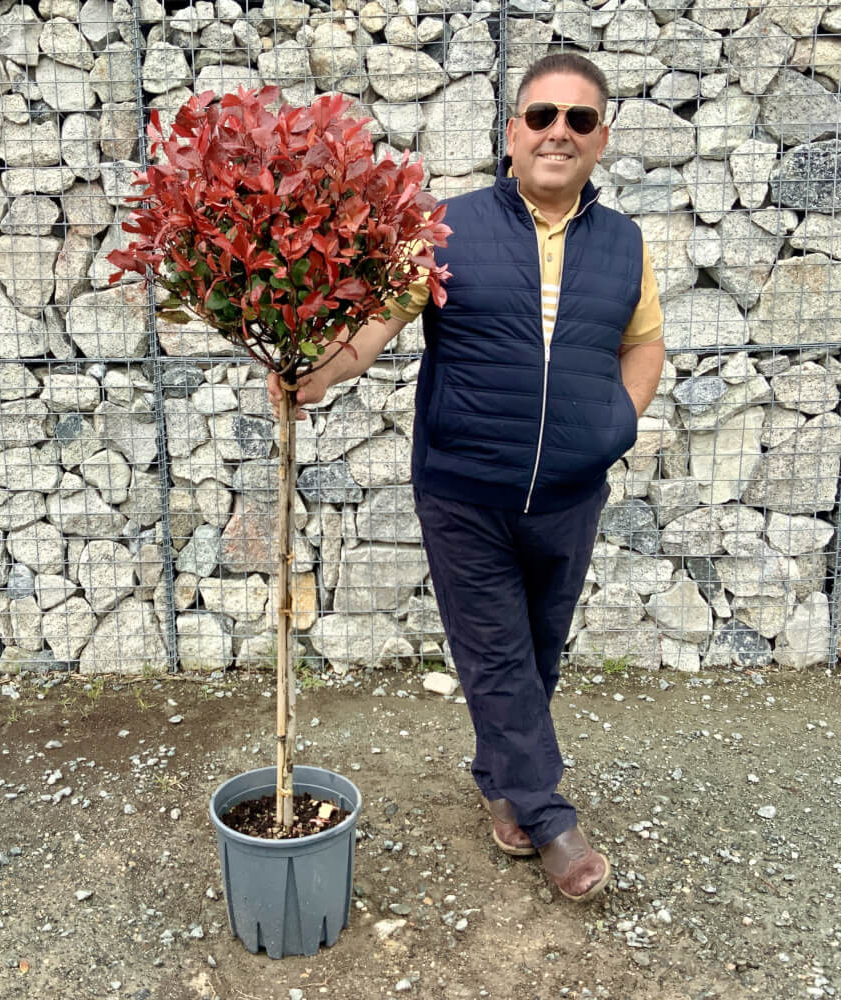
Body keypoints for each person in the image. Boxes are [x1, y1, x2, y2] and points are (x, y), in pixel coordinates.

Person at [269, 53, 665, 902]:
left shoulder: (625, 244)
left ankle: (501, 782)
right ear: (512, 132)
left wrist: (618, 425)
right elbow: (374, 328)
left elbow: (644, 343)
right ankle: (550, 818)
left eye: (580, 120)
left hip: (570, 493)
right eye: (542, 116)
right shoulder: (447, 228)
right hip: (464, 489)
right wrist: (317, 375)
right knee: (495, 654)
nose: (559, 132)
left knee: (537, 651)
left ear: (601, 140)